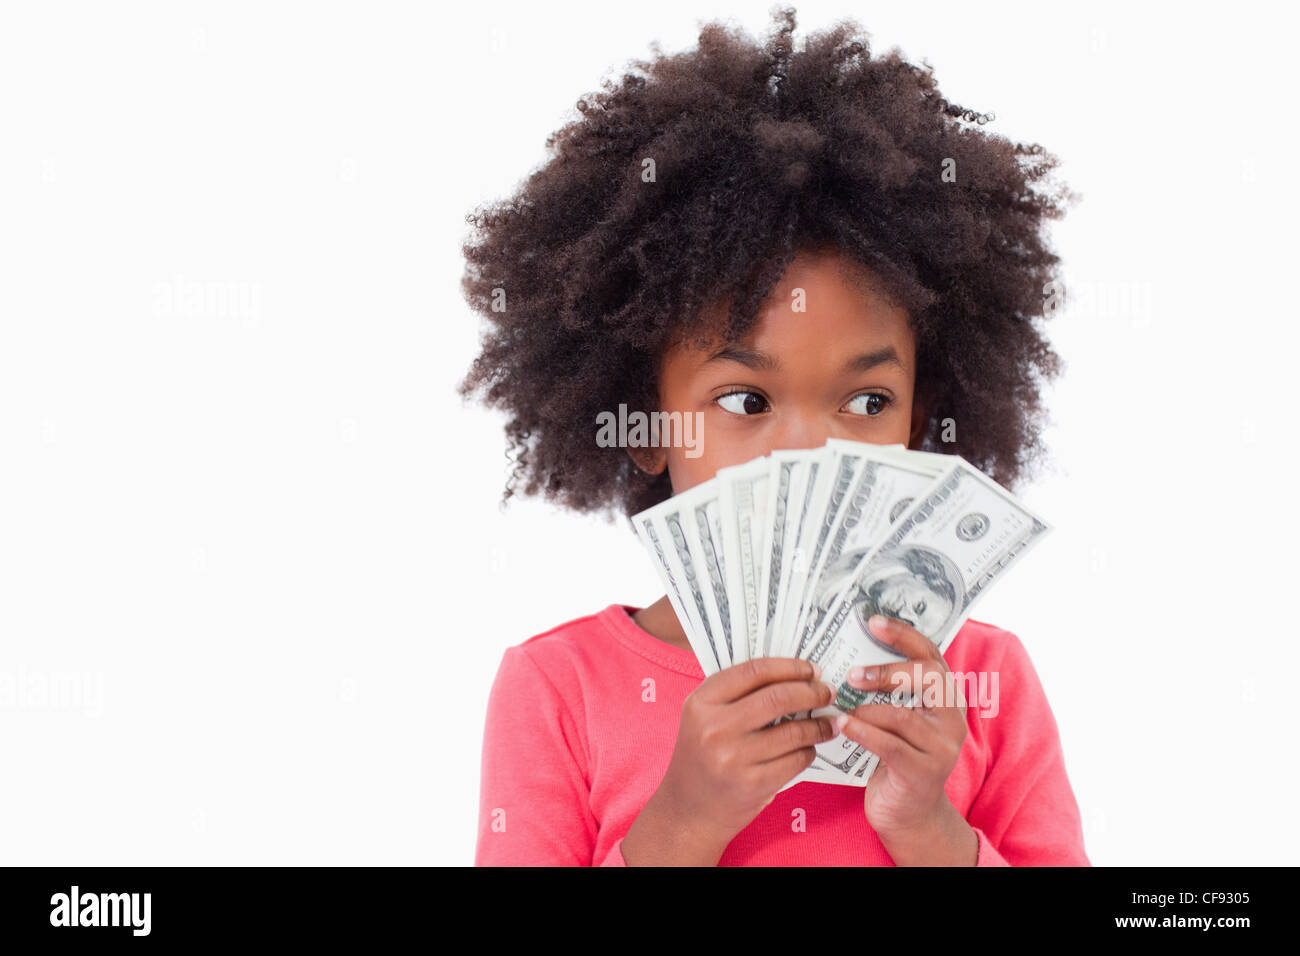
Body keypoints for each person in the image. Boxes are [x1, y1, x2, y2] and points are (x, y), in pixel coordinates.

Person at [462, 8, 1088, 866]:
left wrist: (931, 831)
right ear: (646, 426)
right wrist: (679, 823)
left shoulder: (983, 680)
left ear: (918, 423)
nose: (809, 454)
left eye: (867, 402)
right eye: (746, 399)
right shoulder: (556, 689)